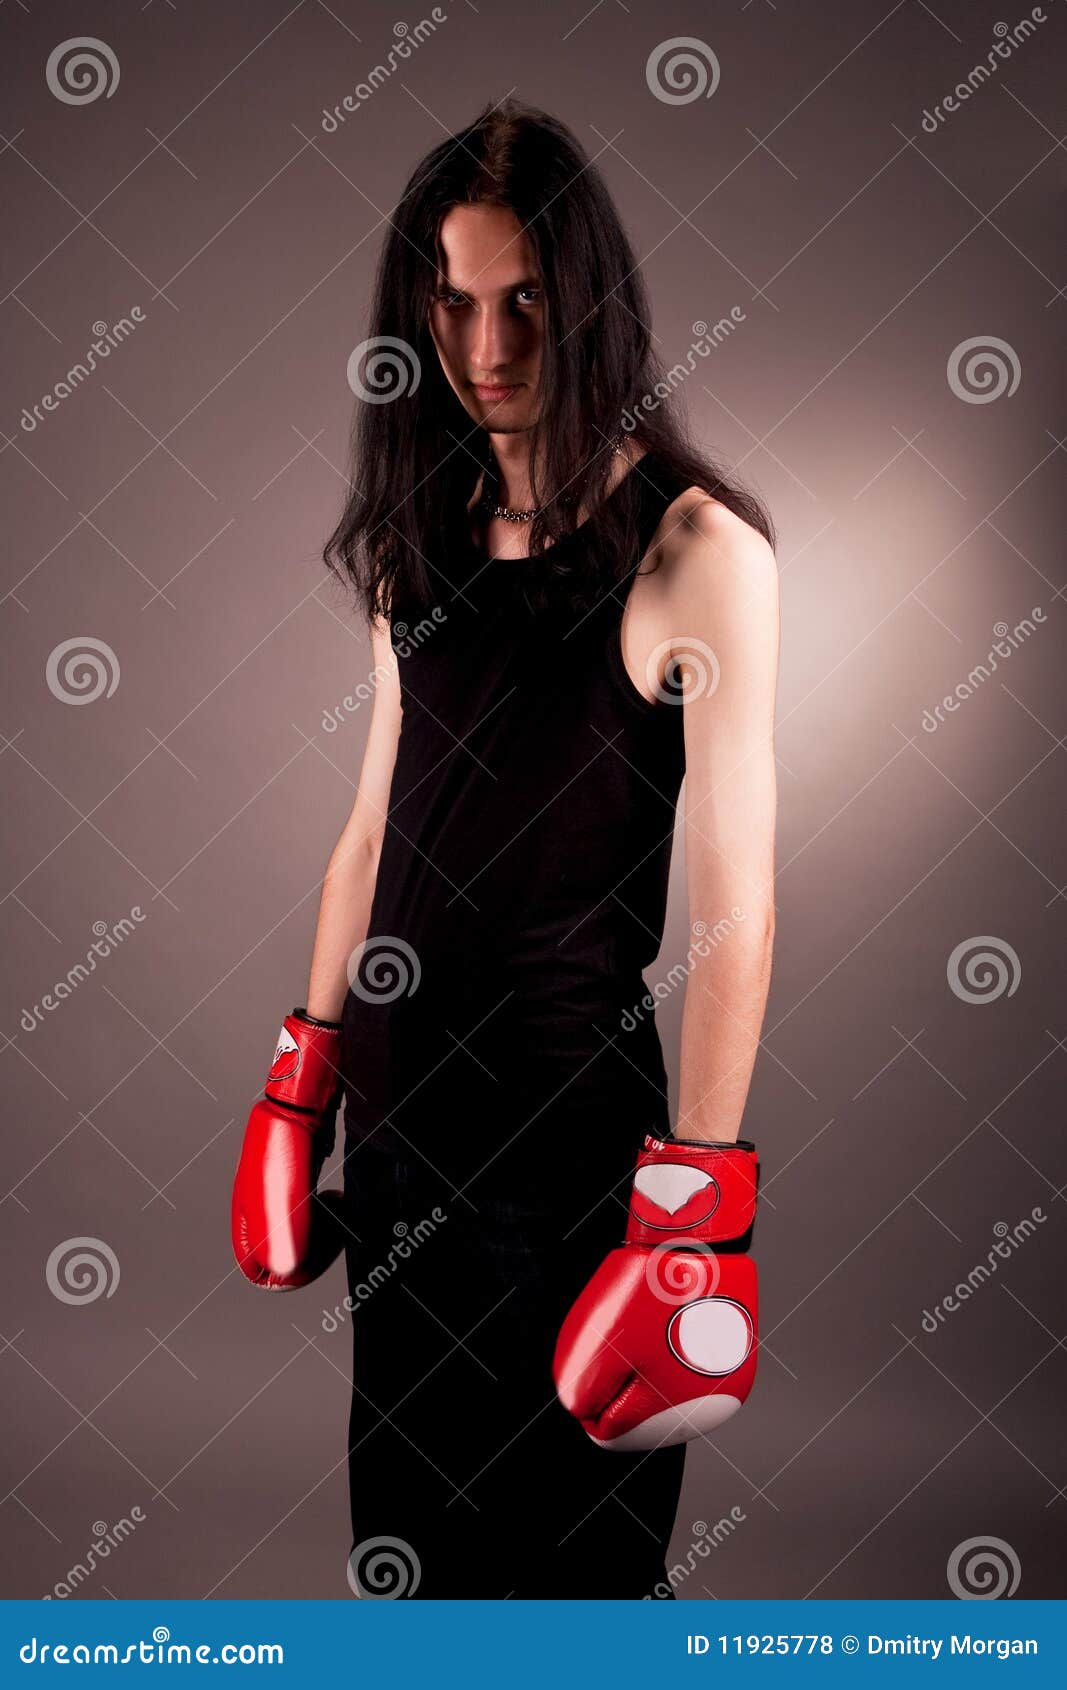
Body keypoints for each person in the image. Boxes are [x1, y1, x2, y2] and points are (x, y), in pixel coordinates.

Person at [231, 97, 779, 1599]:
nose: (488, 348)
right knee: (412, 1576)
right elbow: (370, 828)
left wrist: (697, 1221)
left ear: (587, 295)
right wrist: (303, 1077)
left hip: (572, 1159)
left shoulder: (698, 552)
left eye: (524, 300)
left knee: (581, 1587)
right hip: (402, 1147)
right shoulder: (424, 535)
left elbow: (740, 900)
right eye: (457, 303)